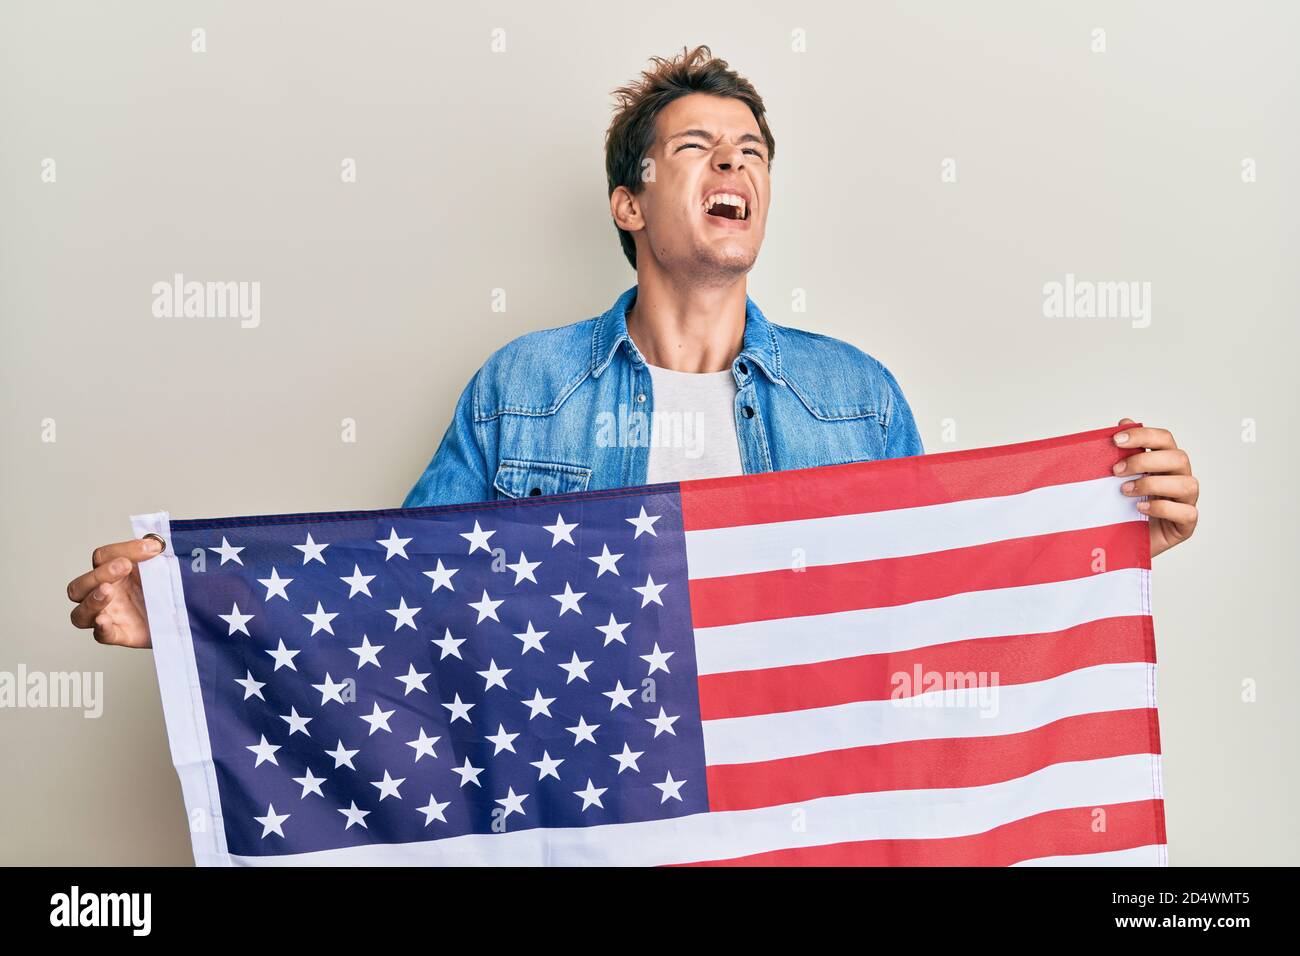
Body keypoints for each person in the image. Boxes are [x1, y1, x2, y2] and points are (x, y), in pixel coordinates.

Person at [65, 46, 1200, 649]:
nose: (734, 168)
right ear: (627, 202)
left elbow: (929, 593)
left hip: (790, 819)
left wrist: (1108, 534)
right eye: (697, 146)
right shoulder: (523, 392)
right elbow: (401, 590)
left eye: (752, 151)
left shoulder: (854, 397)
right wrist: (190, 610)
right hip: (597, 818)